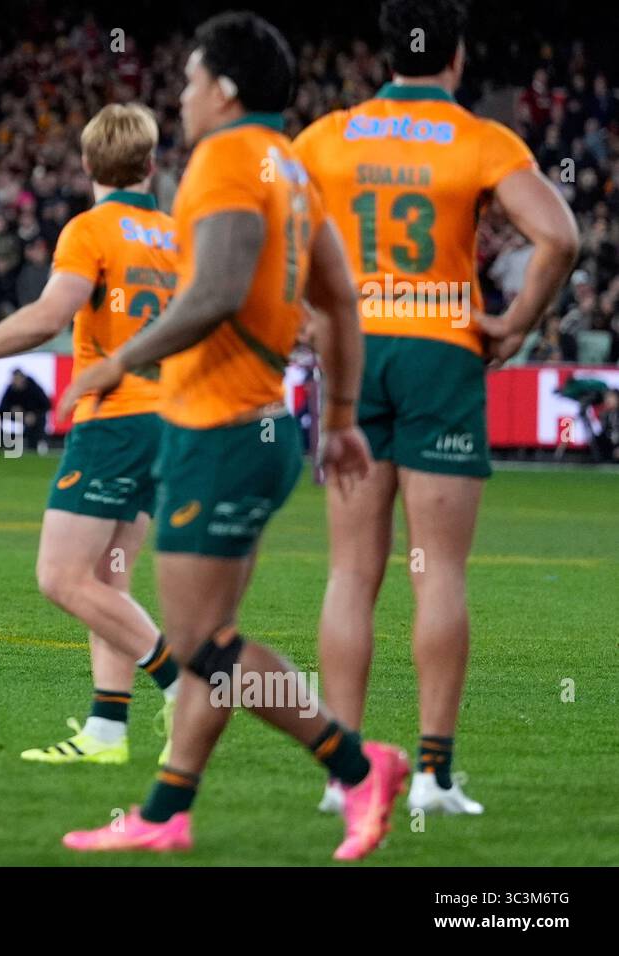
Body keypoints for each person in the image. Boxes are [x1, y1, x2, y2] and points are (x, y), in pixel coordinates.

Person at [57, 12, 405, 860]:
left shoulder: (220, 161)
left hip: (216, 429)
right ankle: (168, 810)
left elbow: (211, 292)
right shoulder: (287, 166)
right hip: (267, 427)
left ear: (225, 89)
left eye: (188, 81)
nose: (179, 98)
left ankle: (359, 767)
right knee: (209, 638)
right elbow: (342, 301)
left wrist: (114, 364)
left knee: (204, 646)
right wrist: (342, 418)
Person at [293, 0, 579, 815]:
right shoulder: (481, 138)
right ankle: (432, 775)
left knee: (352, 571)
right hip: (442, 346)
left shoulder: (329, 136)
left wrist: (311, 316)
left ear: (382, 58)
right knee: (438, 571)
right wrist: (516, 322)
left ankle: (344, 775)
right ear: (455, 59)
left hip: (354, 346)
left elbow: (267, 226)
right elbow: (558, 236)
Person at [0, 103, 182, 764]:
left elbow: (49, 316)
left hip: (114, 416)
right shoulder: (178, 237)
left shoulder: (92, 229)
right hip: (166, 419)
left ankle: (184, 682)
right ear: (150, 164)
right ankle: (106, 732)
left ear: (89, 165)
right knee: (108, 582)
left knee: (61, 578)